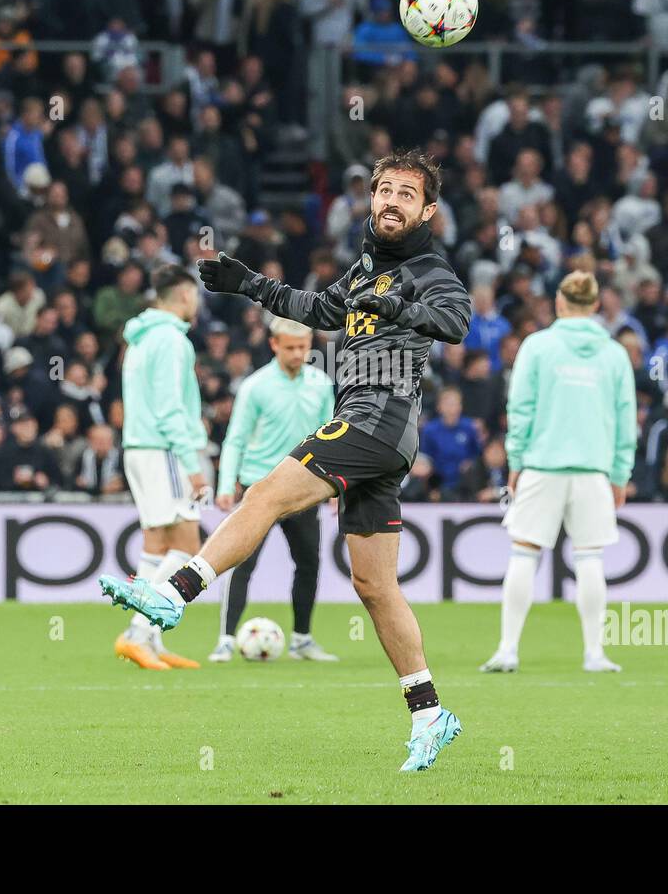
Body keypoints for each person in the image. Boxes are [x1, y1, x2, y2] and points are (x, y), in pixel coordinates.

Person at [101, 150, 472, 771]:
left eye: (406, 194)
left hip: (376, 417)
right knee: (374, 585)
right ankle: (431, 713)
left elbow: (456, 322)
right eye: (383, 189)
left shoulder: (429, 270)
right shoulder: (362, 269)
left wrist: (401, 310)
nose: (390, 200)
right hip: (379, 432)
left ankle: (176, 591)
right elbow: (318, 311)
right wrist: (247, 283)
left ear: (427, 210)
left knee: (266, 493)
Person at [480, 270, 636, 674]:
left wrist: (515, 462)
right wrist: (620, 473)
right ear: (597, 305)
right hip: (593, 468)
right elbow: (625, 420)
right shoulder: (614, 353)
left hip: (542, 464)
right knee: (590, 558)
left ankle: (508, 650)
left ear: (559, 303)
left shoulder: (538, 346)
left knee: (524, 553)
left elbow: (521, 410)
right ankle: (595, 654)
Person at [210, 317, 337, 662]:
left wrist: (336, 488)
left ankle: (302, 639)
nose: (298, 353)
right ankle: (224, 639)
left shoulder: (321, 383)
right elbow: (235, 437)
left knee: (309, 563)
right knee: (241, 562)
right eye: (291, 347)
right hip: (260, 487)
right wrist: (225, 485)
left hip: (303, 489)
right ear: (274, 345)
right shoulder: (256, 386)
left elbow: (332, 438)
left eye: (304, 347)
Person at [111, 264, 206, 672]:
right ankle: (137, 631)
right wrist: (191, 461)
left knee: (158, 546)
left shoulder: (140, 339)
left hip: (139, 446)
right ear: (185, 295)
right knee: (189, 548)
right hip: (163, 450)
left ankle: (150, 637)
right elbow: (170, 408)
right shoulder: (170, 340)